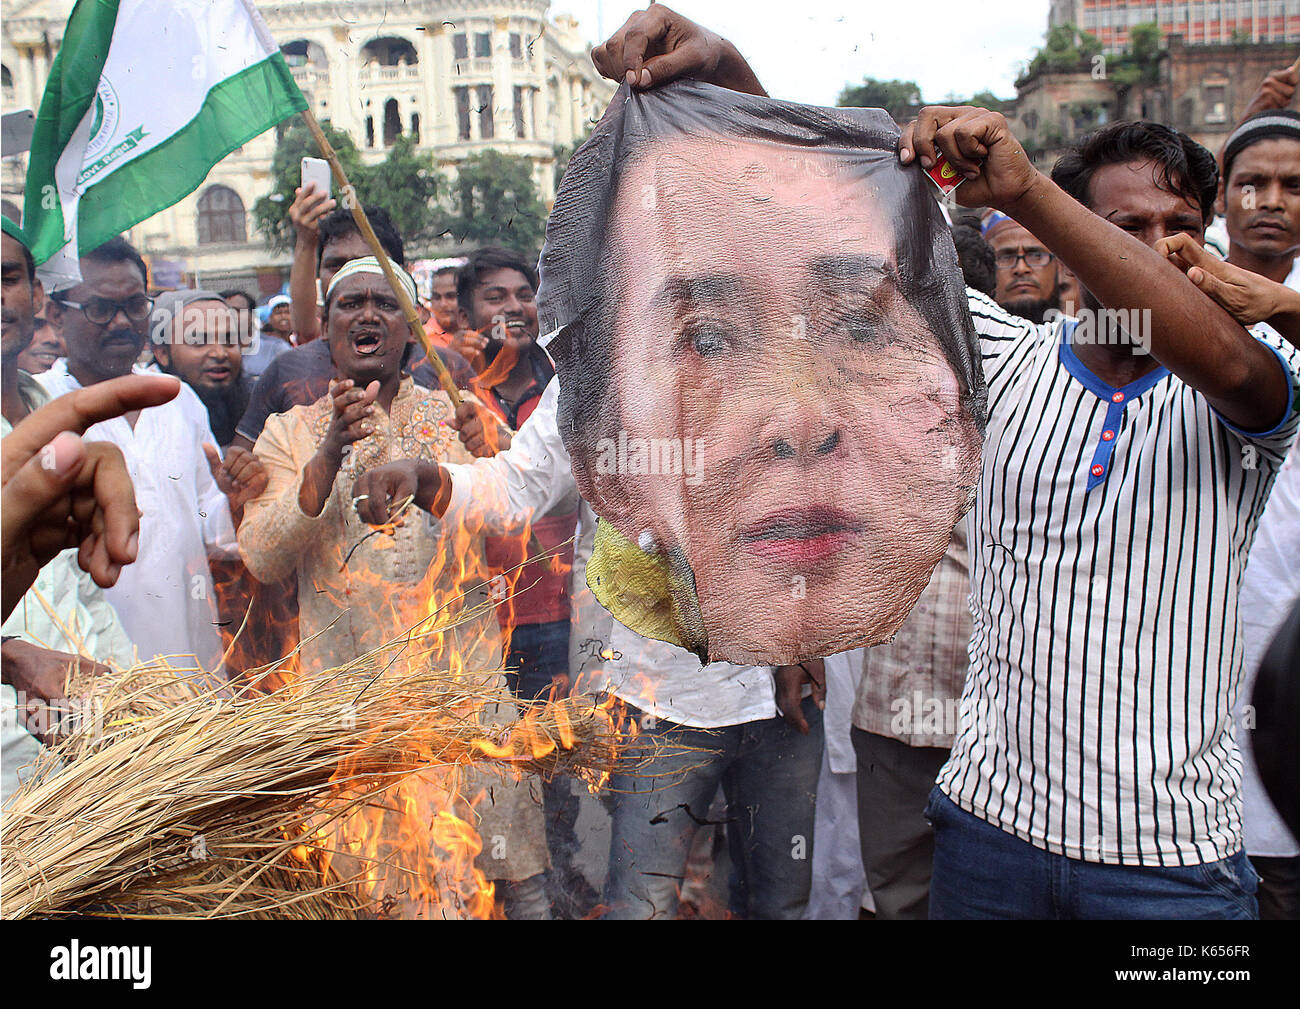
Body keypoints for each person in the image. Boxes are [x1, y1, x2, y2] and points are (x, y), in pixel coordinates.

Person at [592, 4, 1300, 919]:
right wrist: (731, 73)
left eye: (1178, 226)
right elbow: (834, 231)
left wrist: (1027, 188)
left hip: (1171, 866)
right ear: (1072, 249)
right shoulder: (1000, 357)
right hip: (991, 838)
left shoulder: (1259, 375)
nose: (1155, 249)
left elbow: (1213, 350)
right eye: (1122, 227)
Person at [237, 256, 549, 918]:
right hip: (353, 720)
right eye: (351, 303)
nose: (368, 313)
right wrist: (325, 458)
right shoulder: (289, 432)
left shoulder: (458, 416)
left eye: (385, 302)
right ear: (327, 326)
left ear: (411, 327)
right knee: (371, 893)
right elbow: (262, 556)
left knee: (498, 893)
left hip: (462, 705)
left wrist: (490, 446)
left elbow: (518, 514)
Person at [36, 238, 265, 672]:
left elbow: (211, 524)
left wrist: (238, 502)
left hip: (190, 660)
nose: (121, 323)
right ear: (56, 313)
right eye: (101, 309)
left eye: (135, 307)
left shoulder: (176, 400)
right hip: (91, 674)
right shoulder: (39, 407)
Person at [455, 245, 584, 914]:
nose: (513, 307)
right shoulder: (447, 392)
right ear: (467, 311)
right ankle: (489, 893)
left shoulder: (572, 379)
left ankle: (556, 886)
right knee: (484, 771)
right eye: (494, 297)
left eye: (522, 294)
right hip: (477, 628)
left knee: (550, 767)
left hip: (552, 613)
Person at [232, 205, 476, 451]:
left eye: (368, 263)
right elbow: (244, 467)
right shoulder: (286, 371)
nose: (355, 277)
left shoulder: (449, 370)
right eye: (336, 266)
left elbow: (492, 461)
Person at [151, 290, 250, 448]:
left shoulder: (257, 407)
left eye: (229, 340)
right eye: (199, 341)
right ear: (162, 353)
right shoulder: (146, 419)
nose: (219, 354)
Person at [982, 210, 1063, 322]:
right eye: (1006, 257)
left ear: (1058, 266)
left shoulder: (1085, 336)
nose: (1021, 269)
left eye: (1036, 255)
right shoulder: (967, 337)